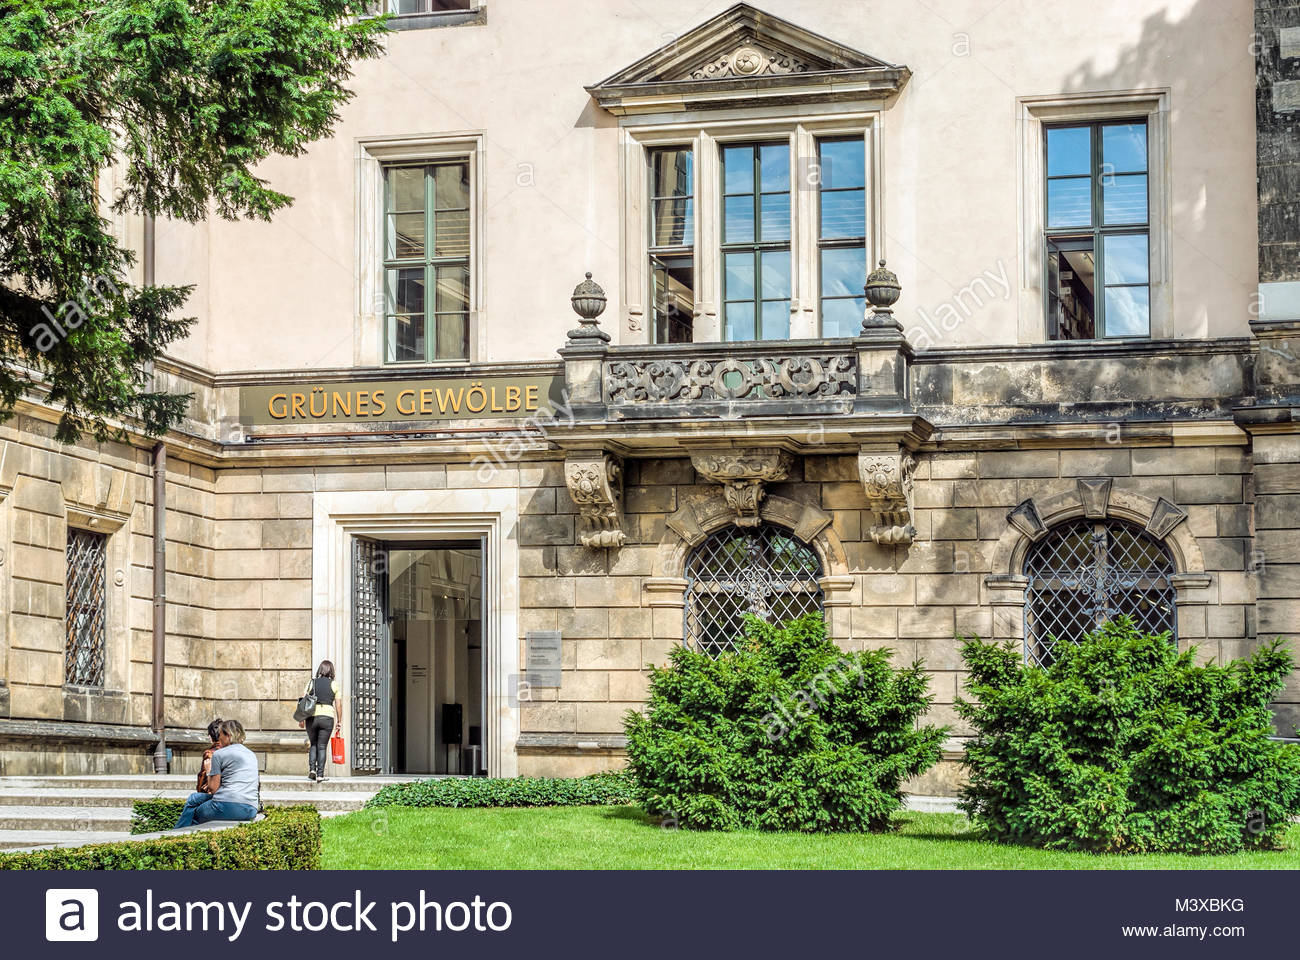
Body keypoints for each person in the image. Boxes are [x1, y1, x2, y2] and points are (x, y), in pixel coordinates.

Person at [174, 720, 260, 828]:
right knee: (194, 798)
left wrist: (209, 771)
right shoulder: (251, 754)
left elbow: (213, 789)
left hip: (227, 805)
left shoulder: (219, 754)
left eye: (220, 735)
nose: (219, 739)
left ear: (228, 735)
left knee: (193, 815)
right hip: (251, 808)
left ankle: (178, 833)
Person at [299, 660, 342, 782]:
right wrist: (339, 721)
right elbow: (338, 705)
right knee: (322, 746)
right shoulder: (334, 684)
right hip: (327, 717)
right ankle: (320, 774)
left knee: (313, 744)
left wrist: (301, 718)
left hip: (311, 717)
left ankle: (312, 770)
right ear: (331, 671)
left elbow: (302, 699)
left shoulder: (311, 682)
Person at [196, 717, 223, 792]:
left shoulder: (209, 754)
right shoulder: (231, 751)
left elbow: (202, 777)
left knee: (193, 797)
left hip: (213, 792)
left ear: (210, 737)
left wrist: (199, 790)